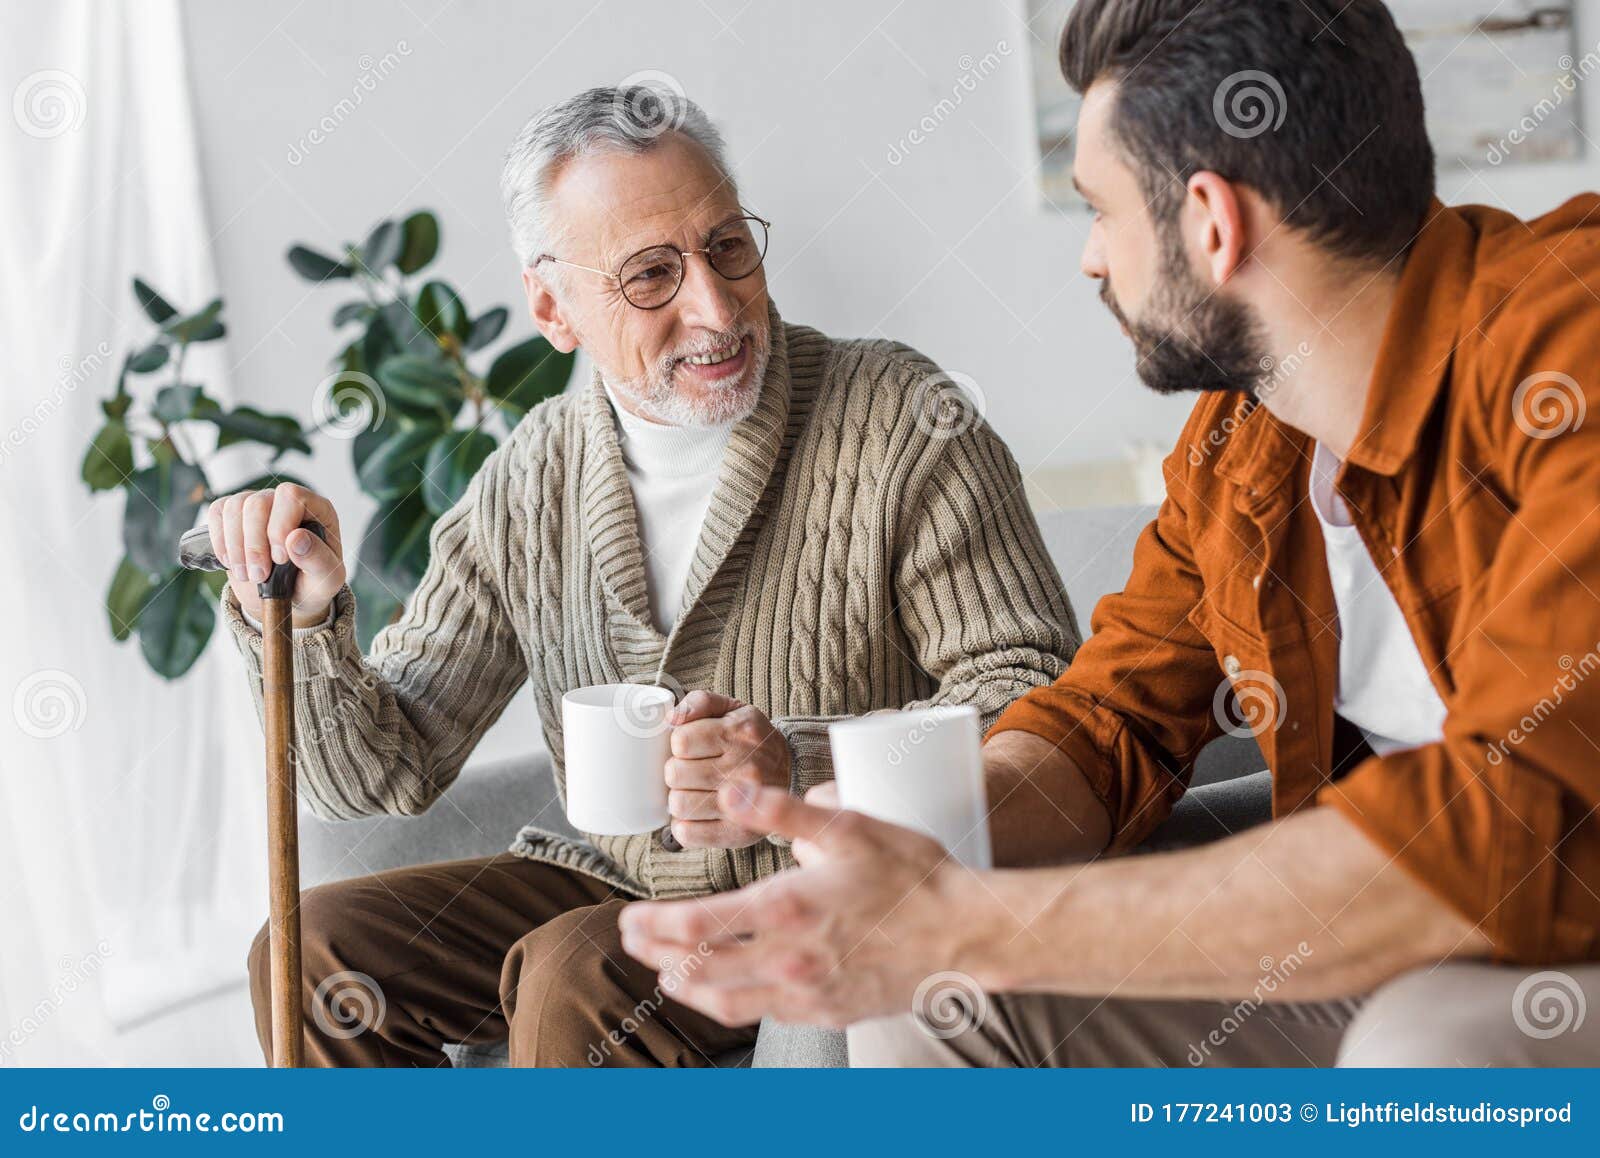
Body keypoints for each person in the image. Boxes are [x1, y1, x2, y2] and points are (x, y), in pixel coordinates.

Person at [619, 0, 1600, 1067]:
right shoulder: (1240, 444)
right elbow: (1109, 725)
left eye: (1100, 211)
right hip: (1401, 933)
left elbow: (1520, 824)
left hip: (1546, 930)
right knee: (926, 993)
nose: (1090, 259)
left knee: (1428, 1046)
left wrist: (967, 921)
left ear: (1211, 223)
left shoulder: (1568, 350)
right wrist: (910, 836)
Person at [213, 85, 1078, 1066]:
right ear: (554, 307)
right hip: (619, 885)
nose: (716, 308)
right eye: (652, 275)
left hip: (829, 882)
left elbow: (1041, 698)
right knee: (310, 954)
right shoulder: (529, 478)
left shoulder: (901, 416)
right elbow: (378, 775)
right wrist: (304, 619)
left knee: (578, 965)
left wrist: (794, 769)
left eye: (727, 247)